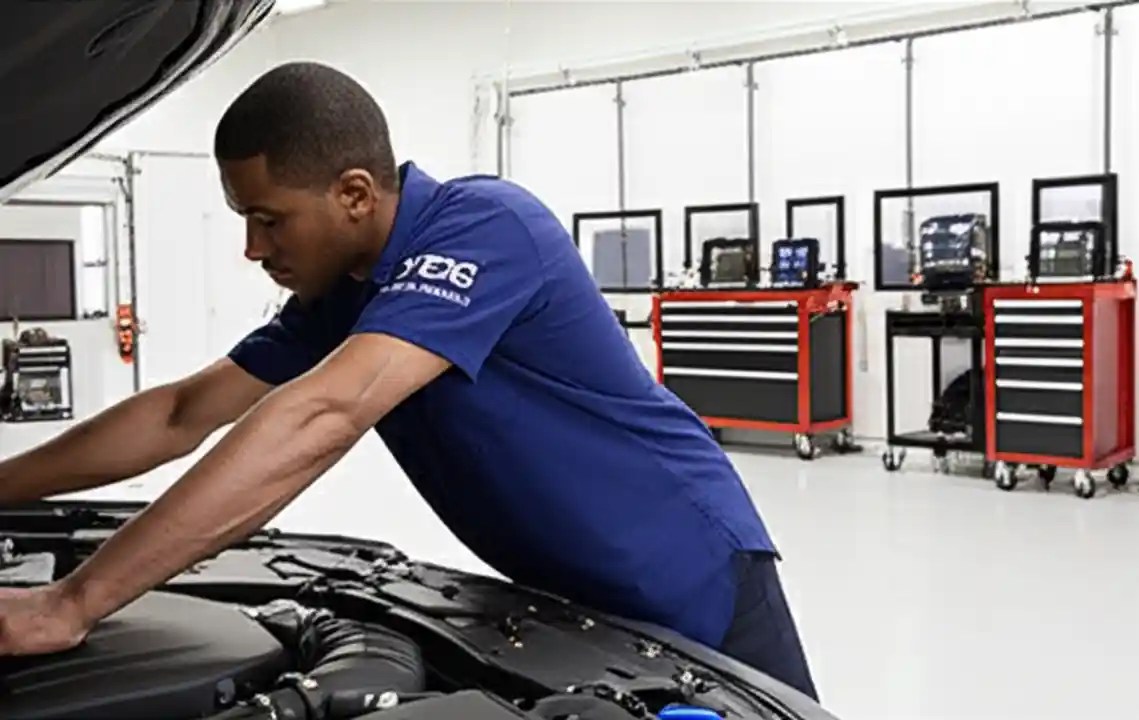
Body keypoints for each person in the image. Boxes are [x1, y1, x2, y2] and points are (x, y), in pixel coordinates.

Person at [0, 61, 817, 700]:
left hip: (687, 573)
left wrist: (74, 603)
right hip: (564, 599)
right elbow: (180, 412)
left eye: (268, 218)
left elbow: (324, 411)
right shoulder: (341, 298)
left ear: (354, 194)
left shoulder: (487, 226)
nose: (253, 248)